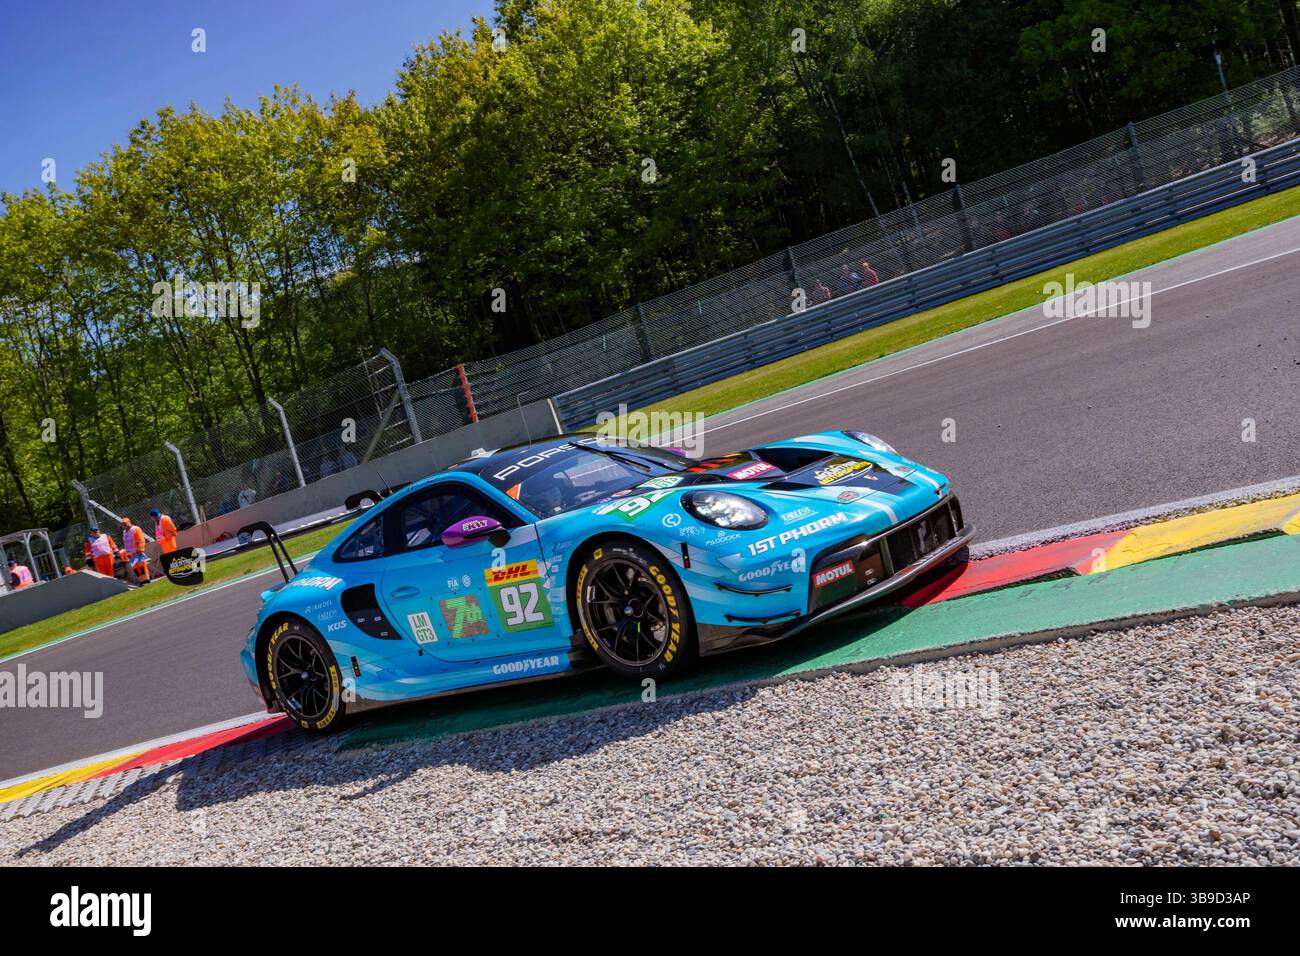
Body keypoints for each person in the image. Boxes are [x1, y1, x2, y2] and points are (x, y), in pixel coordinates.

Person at [121, 517, 151, 585]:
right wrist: (127, 553)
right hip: (130, 553)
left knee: (142, 566)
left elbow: (141, 540)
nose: (124, 525)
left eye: (125, 523)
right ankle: (141, 580)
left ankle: (146, 579)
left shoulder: (135, 529)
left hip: (137, 551)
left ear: (129, 522)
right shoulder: (124, 532)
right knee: (135, 568)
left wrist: (140, 550)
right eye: (123, 524)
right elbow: (125, 543)